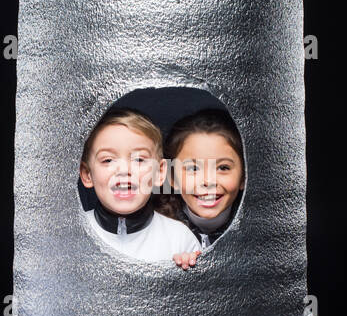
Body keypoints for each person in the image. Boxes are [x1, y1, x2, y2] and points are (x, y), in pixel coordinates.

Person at [79, 109, 199, 265]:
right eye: (108, 160)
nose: (124, 170)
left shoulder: (179, 239)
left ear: (159, 173)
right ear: (87, 174)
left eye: (139, 159)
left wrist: (188, 270)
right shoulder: (72, 234)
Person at [155, 110, 245, 269]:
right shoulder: (155, 228)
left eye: (223, 168)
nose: (208, 182)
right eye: (193, 168)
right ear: (171, 178)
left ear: (243, 177)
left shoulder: (258, 227)